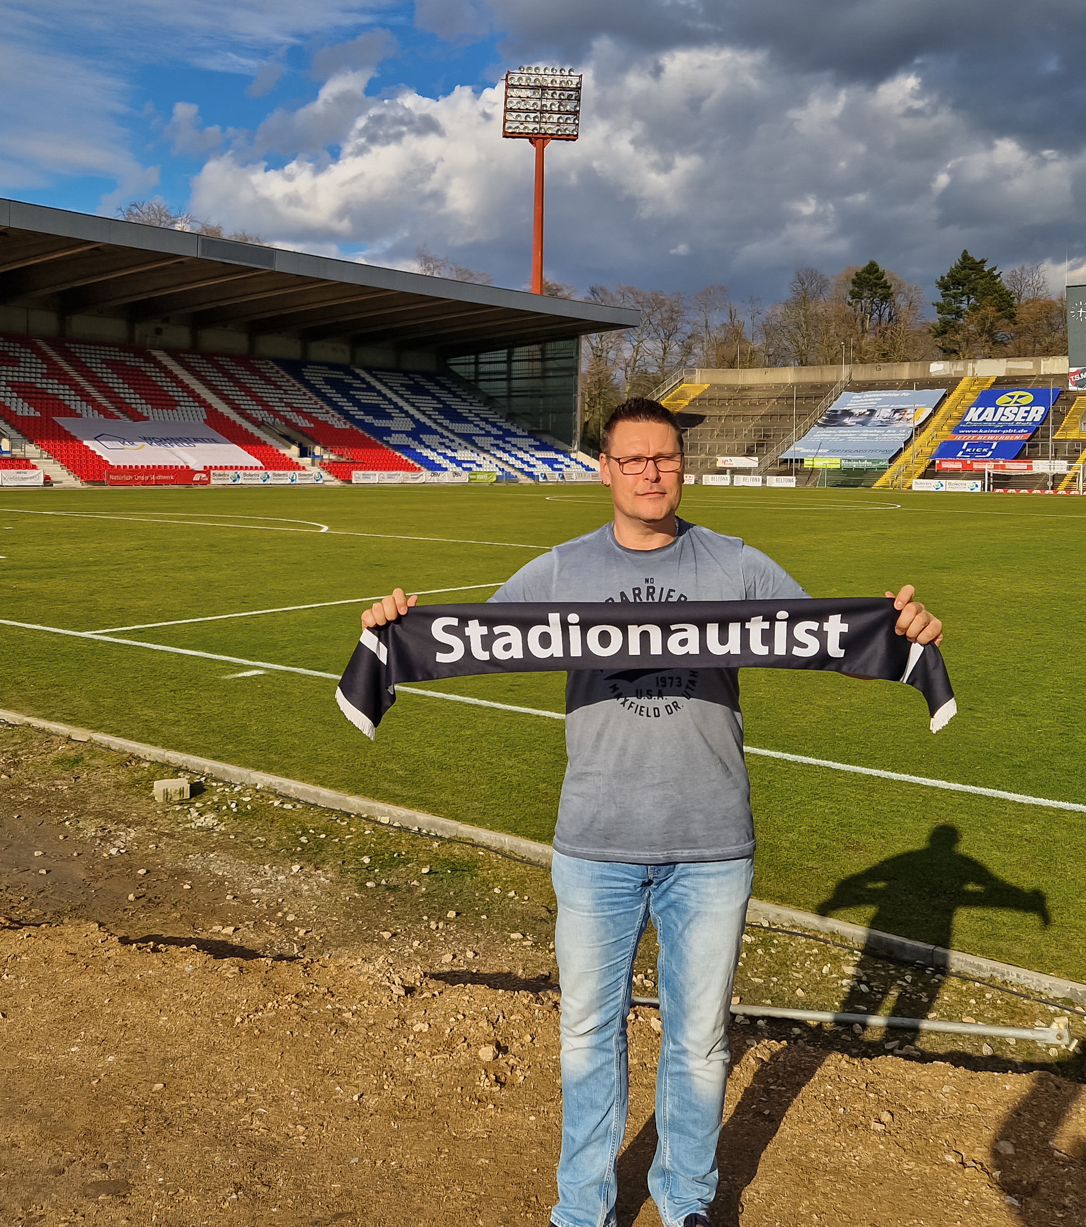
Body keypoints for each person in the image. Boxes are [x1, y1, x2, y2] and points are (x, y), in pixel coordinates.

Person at [359, 396, 942, 1227]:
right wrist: (393, 632)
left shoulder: (736, 563)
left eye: (663, 458)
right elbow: (468, 637)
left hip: (711, 844)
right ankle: (583, 1209)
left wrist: (901, 628)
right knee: (587, 1035)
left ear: (681, 465)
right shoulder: (560, 570)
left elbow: (826, 638)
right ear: (605, 470)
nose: (649, 473)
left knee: (699, 1041)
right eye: (632, 460)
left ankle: (686, 1201)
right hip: (595, 843)